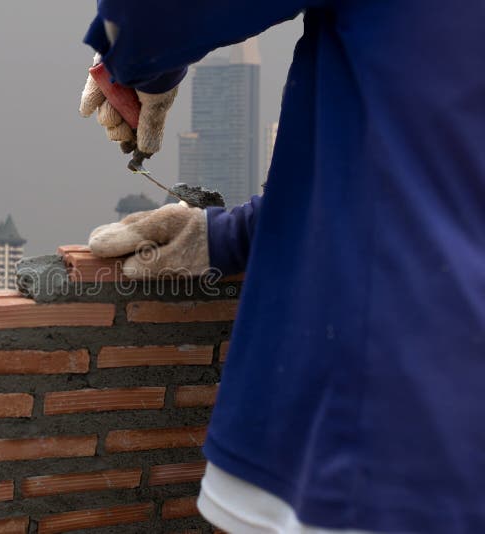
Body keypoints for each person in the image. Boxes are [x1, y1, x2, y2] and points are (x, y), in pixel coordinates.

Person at [80, 1, 485, 533]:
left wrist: (136, 65)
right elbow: (438, 165)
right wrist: (225, 237)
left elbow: (154, 12)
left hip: (381, 442)